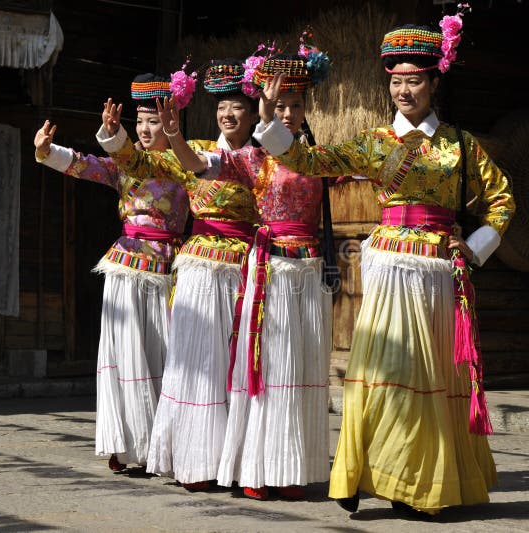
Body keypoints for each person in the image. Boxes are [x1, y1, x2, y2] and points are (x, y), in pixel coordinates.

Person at [255, 11, 515, 515]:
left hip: (438, 273)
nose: (402, 90)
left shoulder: (462, 147)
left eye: (413, 79)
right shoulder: (375, 142)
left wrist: (476, 243)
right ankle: (363, 472)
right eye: (395, 80)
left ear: (434, 82)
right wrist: (267, 122)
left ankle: (421, 487)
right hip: (391, 267)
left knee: (428, 379)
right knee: (380, 370)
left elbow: (502, 199)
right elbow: (311, 162)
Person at [152, 40, 334, 501]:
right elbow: (200, 164)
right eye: (280, 105)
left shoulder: (320, 160)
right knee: (267, 367)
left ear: (306, 107)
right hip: (268, 269)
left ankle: (290, 469)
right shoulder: (253, 159)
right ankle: (256, 466)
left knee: (302, 366)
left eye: (296, 105)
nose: (288, 113)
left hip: (308, 271)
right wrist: (175, 136)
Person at [96, 59, 261, 491]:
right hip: (199, 266)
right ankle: (194, 457)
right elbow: (151, 165)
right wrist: (120, 139)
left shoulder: (265, 159)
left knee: (237, 365)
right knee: (194, 364)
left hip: (247, 265)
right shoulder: (199, 148)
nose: (227, 114)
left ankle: (238, 458)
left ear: (254, 111)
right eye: (221, 106)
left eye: (237, 107)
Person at [33, 71, 193, 472]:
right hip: (125, 267)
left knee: (163, 354)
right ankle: (125, 443)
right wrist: (49, 152)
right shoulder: (124, 165)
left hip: (168, 268)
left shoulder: (189, 165)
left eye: (152, 121)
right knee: (125, 356)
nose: (143, 129)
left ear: (172, 121)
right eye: (138, 122)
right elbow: (88, 165)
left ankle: (162, 445)